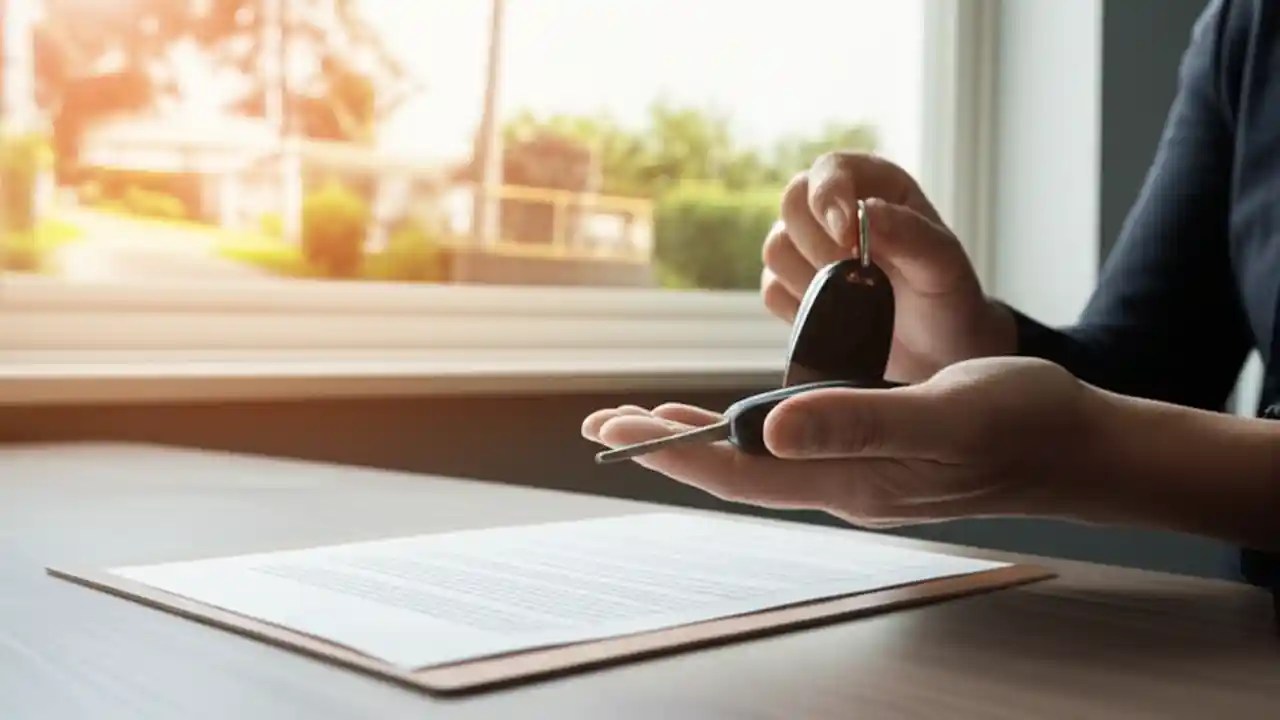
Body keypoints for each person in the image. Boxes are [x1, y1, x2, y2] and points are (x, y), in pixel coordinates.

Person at [581, 0, 1280, 597]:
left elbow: (1117, 430)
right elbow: (1152, 375)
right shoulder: (1247, 26)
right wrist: (968, 345)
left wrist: (1081, 454)